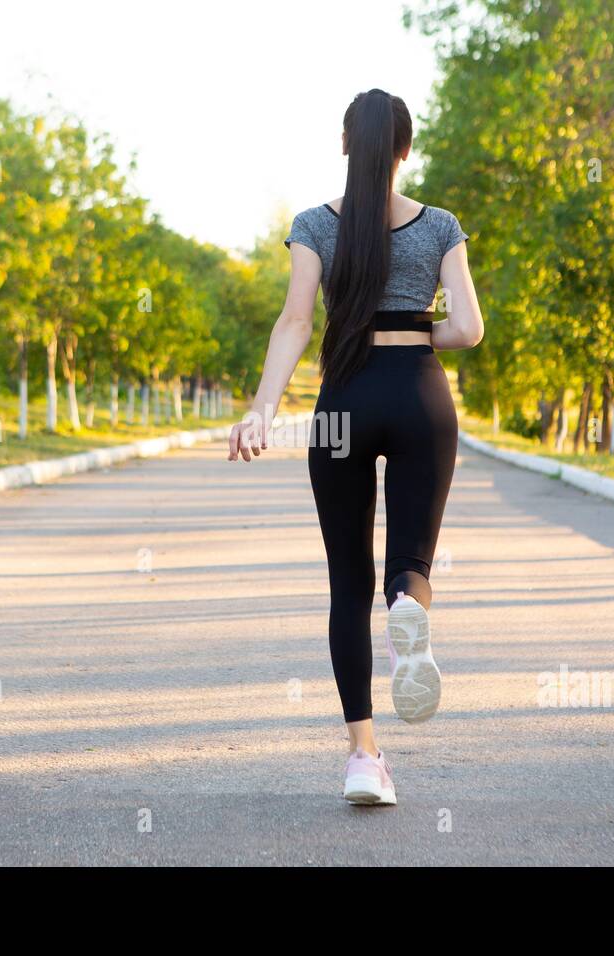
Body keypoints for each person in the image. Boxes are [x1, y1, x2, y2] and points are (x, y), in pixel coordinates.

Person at [227, 89, 483, 805]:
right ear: (406, 150)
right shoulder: (441, 226)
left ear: (346, 145)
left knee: (347, 581)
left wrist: (260, 410)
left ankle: (365, 758)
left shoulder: (314, 224)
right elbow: (468, 327)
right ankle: (409, 604)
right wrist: (412, 331)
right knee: (408, 564)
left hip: (343, 403)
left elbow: (294, 321)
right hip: (420, 401)